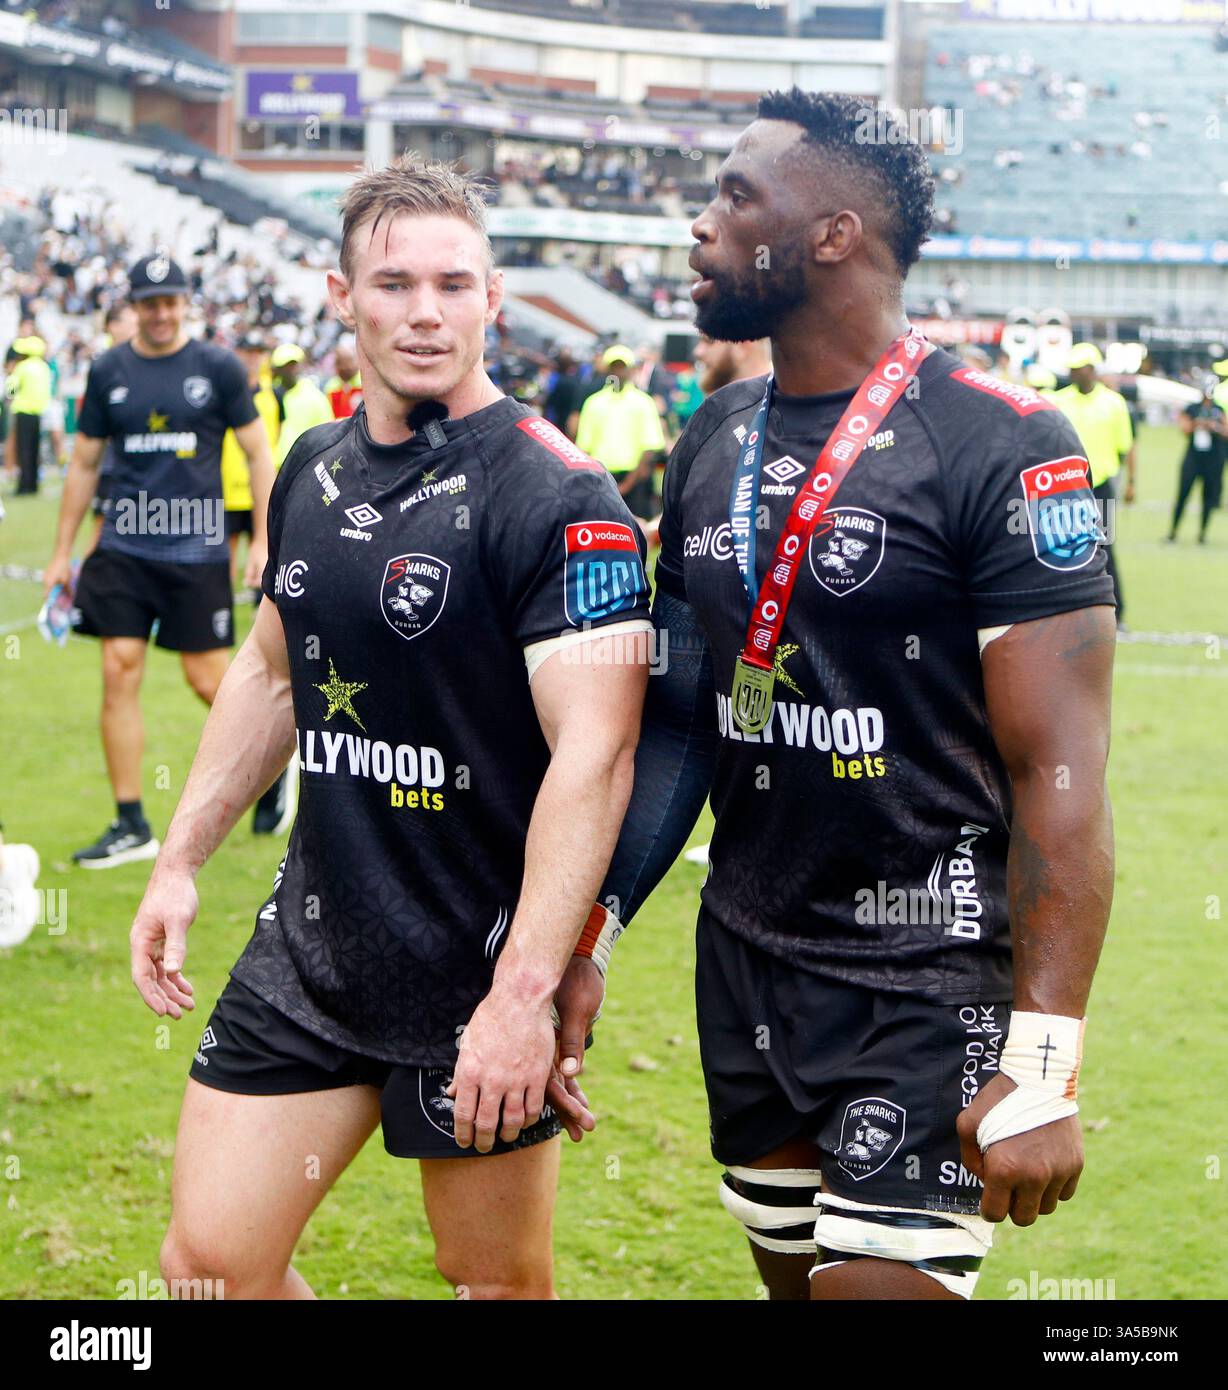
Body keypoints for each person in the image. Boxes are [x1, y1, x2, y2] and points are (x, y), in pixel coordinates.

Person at [592, 89, 1116, 1302]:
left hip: (928, 973)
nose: (699, 227)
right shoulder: (712, 434)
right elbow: (680, 722)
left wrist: (1043, 1063)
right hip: (747, 960)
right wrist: (590, 932)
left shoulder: (1005, 442)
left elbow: (1062, 773)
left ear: (831, 234)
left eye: (734, 197)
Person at [129, 155, 651, 1301]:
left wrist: (522, 999)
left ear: (492, 299)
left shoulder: (560, 496)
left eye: (454, 285)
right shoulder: (310, 466)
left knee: (492, 1287)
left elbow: (597, 755)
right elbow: (270, 674)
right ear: (338, 294)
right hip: (308, 955)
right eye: (394, 283)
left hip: (472, 976)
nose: (424, 312)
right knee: (209, 1267)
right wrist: (178, 861)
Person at [43, 253, 275, 868]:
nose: (162, 313)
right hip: (121, 547)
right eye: (151, 303)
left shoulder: (218, 367)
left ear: (184, 305)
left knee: (209, 681)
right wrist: (64, 552)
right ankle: (130, 822)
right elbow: (85, 465)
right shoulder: (107, 370)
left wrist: (264, 540)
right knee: (119, 670)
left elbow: (258, 455)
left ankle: (278, 764)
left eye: (172, 302)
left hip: (197, 549)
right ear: (134, 308)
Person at [1050, 343, 1134, 626]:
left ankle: (1116, 612)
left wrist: (1129, 480)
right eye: (1072, 370)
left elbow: (1125, 447)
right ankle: (1064, 609)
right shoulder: (1058, 401)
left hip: (1100, 485)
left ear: (1093, 370)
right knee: (1062, 549)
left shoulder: (1114, 403)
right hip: (1065, 486)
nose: (1076, 375)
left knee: (1105, 549)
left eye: (1080, 369)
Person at [574, 345, 666, 519]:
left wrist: (628, 484)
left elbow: (650, 448)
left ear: (631, 370)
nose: (618, 372)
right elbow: (583, 448)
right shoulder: (593, 403)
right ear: (607, 370)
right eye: (614, 367)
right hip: (601, 479)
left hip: (634, 481)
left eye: (622, 367)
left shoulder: (643, 402)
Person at [88, 303, 141, 552]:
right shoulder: (104, 366)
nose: (135, 327)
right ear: (112, 325)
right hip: (110, 464)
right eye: (129, 321)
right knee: (103, 527)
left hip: (138, 466)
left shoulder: (141, 360)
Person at [1169, 376, 1226, 544]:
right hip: (1194, 457)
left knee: (1208, 497)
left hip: (1212, 459)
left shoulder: (1218, 410)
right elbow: (1184, 428)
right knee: (1183, 494)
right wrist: (1197, 424)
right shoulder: (1192, 409)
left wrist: (1214, 427)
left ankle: (1202, 534)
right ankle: (1173, 531)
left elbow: (1226, 431)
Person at [270, 343, 333, 466]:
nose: (291, 370)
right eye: (286, 366)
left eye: (294, 365)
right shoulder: (267, 395)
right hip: (271, 468)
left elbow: (328, 434)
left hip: (301, 467)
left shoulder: (314, 396)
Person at [5, 336, 53, 495]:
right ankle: (33, 484)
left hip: (23, 412)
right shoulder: (44, 367)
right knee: (34, 450)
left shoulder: (22, 367)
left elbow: (11, 389)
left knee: (24, 450)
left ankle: (24, 486)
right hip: (38, 412)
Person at [323, 335, 362, 418]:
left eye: (349, 361)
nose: (347, 366)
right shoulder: (331, 387)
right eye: (341, 362)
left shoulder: (364, 383)